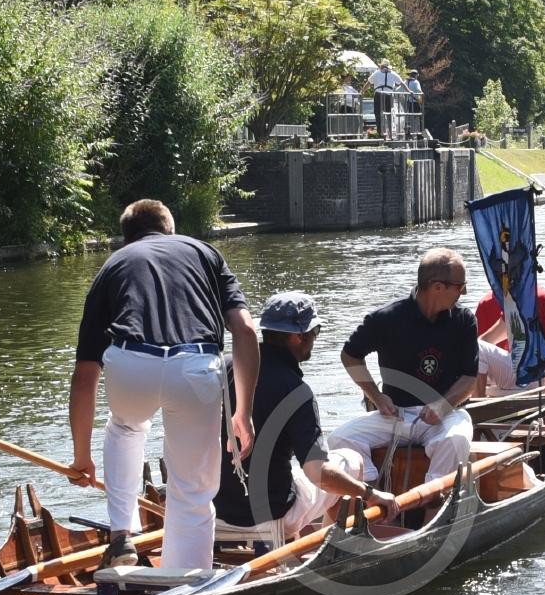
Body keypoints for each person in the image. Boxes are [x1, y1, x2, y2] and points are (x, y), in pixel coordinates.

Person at [66, 199, 259, 573]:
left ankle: (121, 535)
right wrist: (243, 412)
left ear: (127, 237)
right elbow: (246, 330)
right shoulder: (206, 254)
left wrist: (82, 456)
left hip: (131, 365)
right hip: (196, 367)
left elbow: (85, 375)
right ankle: (186, 582)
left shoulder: (113, 266)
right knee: (193, 493)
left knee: (125, 427)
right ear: (171, 229)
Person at [217, 292, 393, 543]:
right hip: (272, 515)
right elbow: (318, 473)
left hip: (214, 509)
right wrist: (370, 494)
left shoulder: (223, 368)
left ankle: (303, 543)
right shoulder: (296, 391)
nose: (315, 338)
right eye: (315, 331)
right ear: (297, 336)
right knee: (351, 460)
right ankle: (331, 549)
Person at [328, 248, 483, 488]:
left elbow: (468, 379)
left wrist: (442, 405)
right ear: (438, 287)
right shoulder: (386, 318)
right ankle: (372, 490)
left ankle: (434, 501)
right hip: (396, 415)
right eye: (460, 286)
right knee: (340, 438)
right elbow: (350, 356)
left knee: (456, 439)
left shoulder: (463, 320)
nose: (463, 293)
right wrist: (376, 397)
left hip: (446, 414)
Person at [474, 280, 545, 391]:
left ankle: (478, 400)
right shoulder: (518, 302)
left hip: (532, 375)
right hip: (538, 373)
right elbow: (487, 339)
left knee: (477, 346)